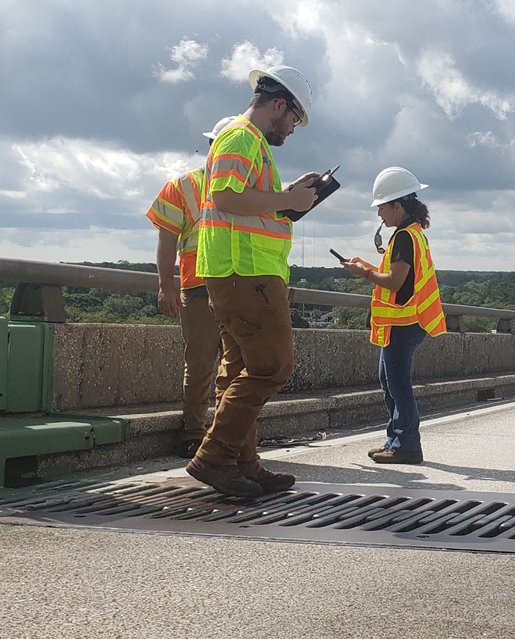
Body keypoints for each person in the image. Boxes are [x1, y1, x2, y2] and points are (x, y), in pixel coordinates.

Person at [185, 65, 320, 497]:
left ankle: (244, 463)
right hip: (246, 275)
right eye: (294, 120)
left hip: (235, 273)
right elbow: (225, 196)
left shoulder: (250, 142)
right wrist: (286, 199)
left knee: (240, 371)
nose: (293, 130)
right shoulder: (243, 136)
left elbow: (244, 202)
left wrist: (289, 198)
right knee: (272, 367)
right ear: (279, 105)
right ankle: (215, 457)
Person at [341, 167, 446, 464]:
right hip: (407, 321)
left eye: (382, 208)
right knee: (389, 380)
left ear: (397, 205)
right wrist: (366, 267)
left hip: (405, 321)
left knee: (397, 384)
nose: (379, 215)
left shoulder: (403, 237)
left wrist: (363, 273)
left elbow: (395, 282)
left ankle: (406, 445)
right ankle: (396, 441)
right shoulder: (413, 233)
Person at [146, 116, 234, 458]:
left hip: (238, 288)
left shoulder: (248, 187)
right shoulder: (182, 186)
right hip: (199, 288)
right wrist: (166, 285)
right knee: (200, 364)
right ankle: (194, 432)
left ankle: (228, 435)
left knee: (236, 367)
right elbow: (167, 241)